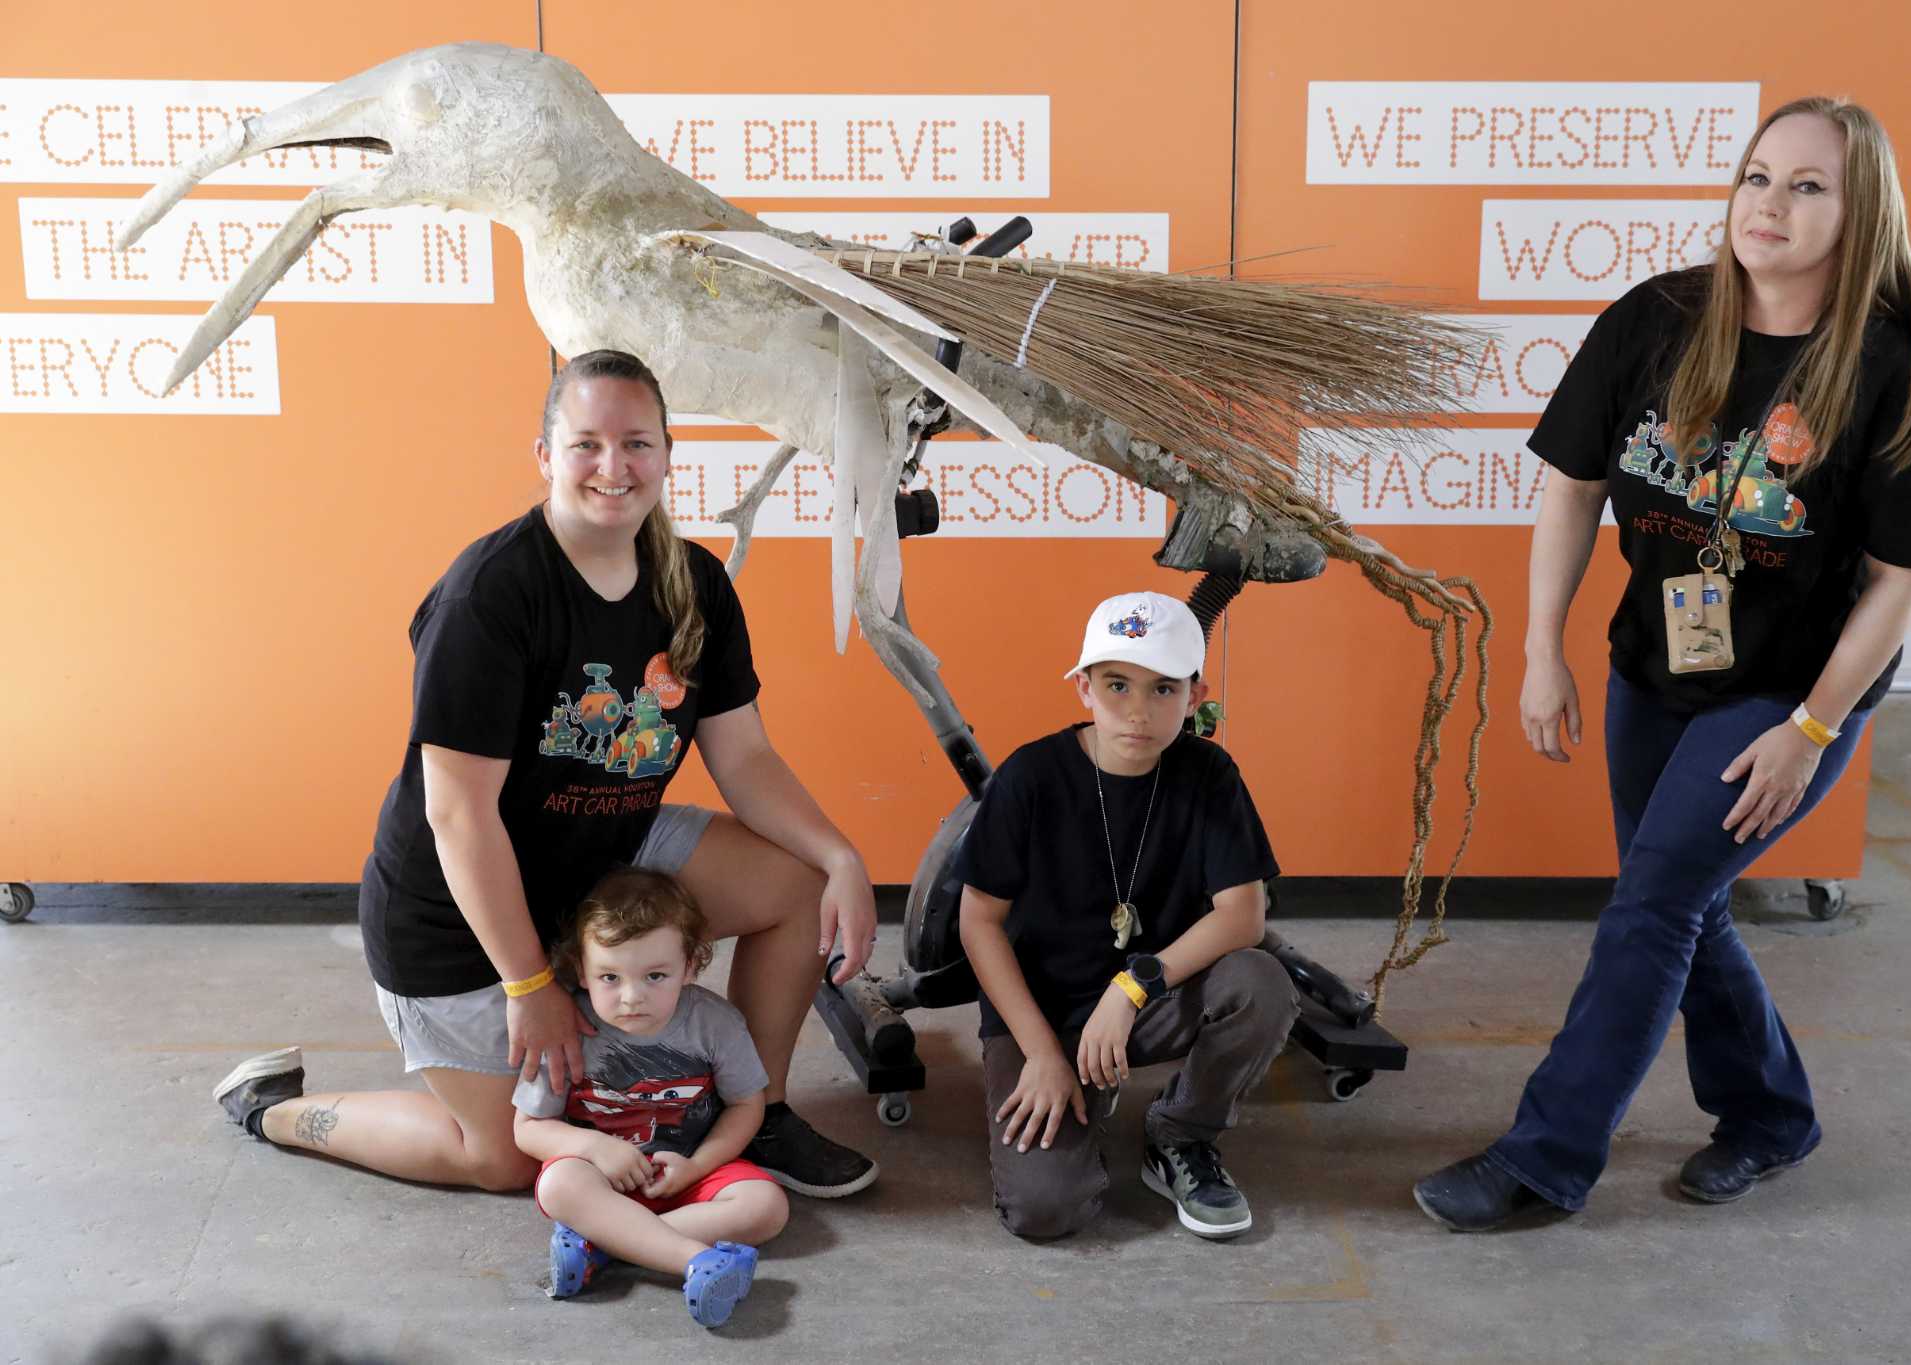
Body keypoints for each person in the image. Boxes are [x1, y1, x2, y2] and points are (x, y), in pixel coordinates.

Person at [1414, 97, 1911, 1230]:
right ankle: (1769, 1115)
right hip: (1649, 667)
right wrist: (1540, 655)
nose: (1766, 205)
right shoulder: (1655, 320)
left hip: (1784, 692)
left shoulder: (1891, 375)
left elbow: (1898, 584)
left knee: (1651, 907)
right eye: (1755, 177)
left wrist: (1809, 730)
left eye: (1805, 186)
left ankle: (1544, 1157)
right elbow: (1570, 488)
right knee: (1682, 902)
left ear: (1858, 210)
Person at [211, 349, 880, 1202]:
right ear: (544, 457)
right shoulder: (490, 595)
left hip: (601, 862)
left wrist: (842, 857)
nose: (614, 467)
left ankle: (760, 1109)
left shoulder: (696, 587)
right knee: (506, 1160)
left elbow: (744, 756)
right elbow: (457, 817)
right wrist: (530, 981)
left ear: (669, 454)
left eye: (637, 443)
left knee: (794, 877)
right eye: (586, 444)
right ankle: (272, 1107)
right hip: (457, 918)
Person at [956, 590, 1299, 1241]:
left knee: (1260, 982)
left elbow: (1244, 915)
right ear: (1083, 688)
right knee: (1044, 1210)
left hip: (1147, 999)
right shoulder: (1030, 778)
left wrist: (1131, 985)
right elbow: (979, 922)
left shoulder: (1209, 774)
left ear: (1195, 696)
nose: (1139, 712)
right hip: (1044, 1012)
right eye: (1118, 685)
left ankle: (1180, 1131)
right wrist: (1040, 1052)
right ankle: (1075, 1079)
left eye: (1163, 689)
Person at [513, 866, 785, 1327]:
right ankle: (690, 1259)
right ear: (581, 969)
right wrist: (595, 1148)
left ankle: (603, 1247)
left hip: (689, 1174)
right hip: (600, 1182)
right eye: (610, 978)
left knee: (768, 1206)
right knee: (559, 1184)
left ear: (692, 964)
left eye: (656, 975)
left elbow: (746, 1105)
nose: (632, 997)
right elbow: (528, 1128)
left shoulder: (715, 1024)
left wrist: (697, 1167)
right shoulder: (566, 1029)